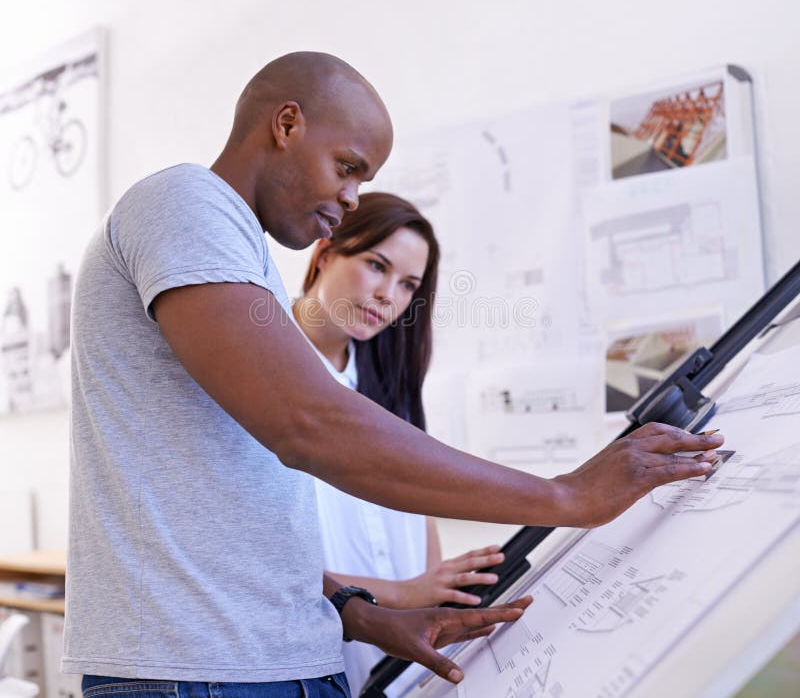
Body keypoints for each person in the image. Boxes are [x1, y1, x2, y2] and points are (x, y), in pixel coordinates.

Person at [64, 51, 723, 698]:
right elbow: (310, 426)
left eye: (407, 283)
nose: (351, 198)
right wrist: (568, 498)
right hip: (202, 672)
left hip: (271, 662)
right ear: (286, 125)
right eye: (347, 168)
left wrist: (364, 615)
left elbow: (234, 517)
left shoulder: (239, 256)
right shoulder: (186, 204)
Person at [293, 191, 506, 693]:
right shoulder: (272, 376)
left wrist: (437, 590)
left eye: (408, 284)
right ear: (324, 254)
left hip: (400, 672)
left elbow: (415, 505)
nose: (389, 294)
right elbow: (263, 559)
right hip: (313, 666)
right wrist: (404, 595)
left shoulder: (386, 383)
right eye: (376, 265)